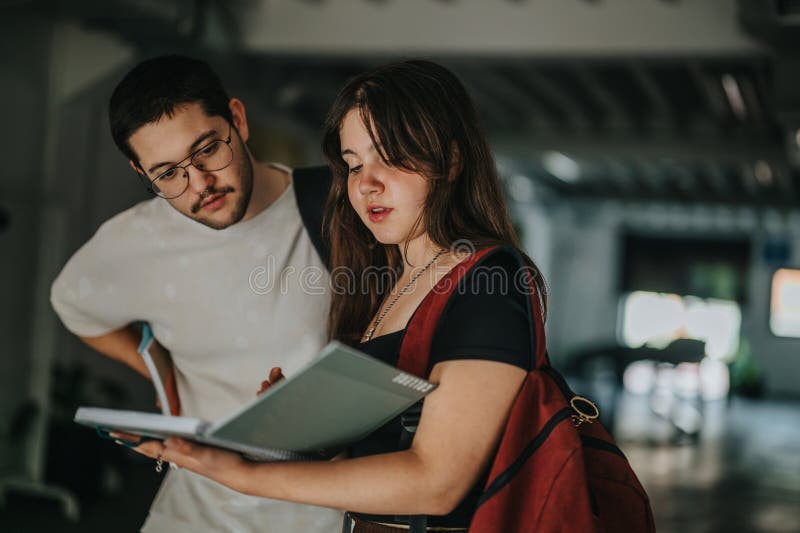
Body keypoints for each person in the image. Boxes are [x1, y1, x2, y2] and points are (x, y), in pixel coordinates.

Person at [131, 59, 548, 532]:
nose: (366, 183)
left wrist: (244, 476)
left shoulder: (488, 282)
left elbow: (438, 481)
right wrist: (305, 429)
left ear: (450, 160)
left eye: (390, 157)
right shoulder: (384, 283)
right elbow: (380, 452)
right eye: (353, 165)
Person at [50, 55, 343, 532]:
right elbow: (72, 304)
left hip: (317, 514)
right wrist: (166, 382)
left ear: (238, 120)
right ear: (141, 173)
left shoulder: (335, 210)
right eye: (167, 174)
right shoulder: (134, 241)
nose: (198, 184)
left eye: (207, 150)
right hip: (192, 514)